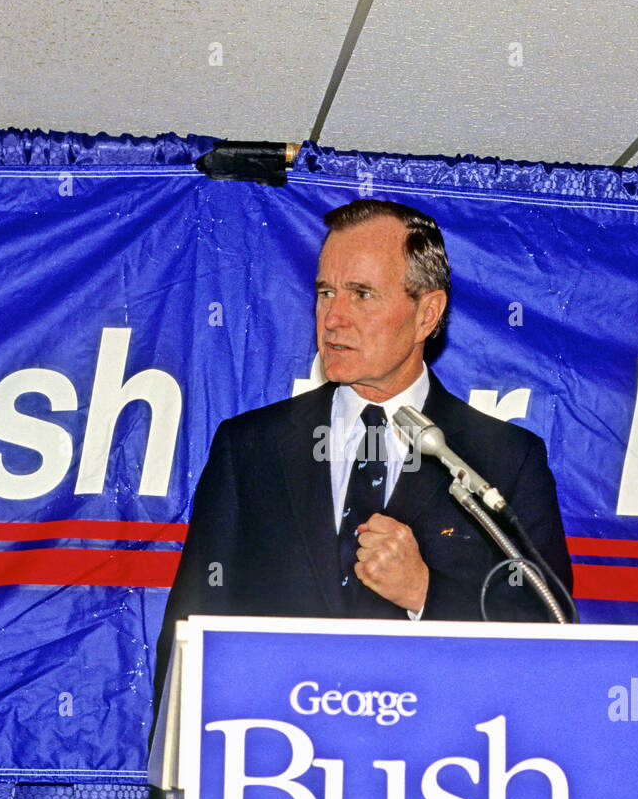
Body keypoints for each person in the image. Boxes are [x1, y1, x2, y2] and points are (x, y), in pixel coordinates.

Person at [153, 199, 573, 717]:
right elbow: (191, 631)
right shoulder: (250, 447)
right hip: (274, 753)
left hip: (439, 758)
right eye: (325, 293)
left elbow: (549, 639)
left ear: (427, 314)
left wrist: (425, 594)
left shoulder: (502, 460)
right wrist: (177, 763)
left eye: (361, 294)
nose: (333, 318)